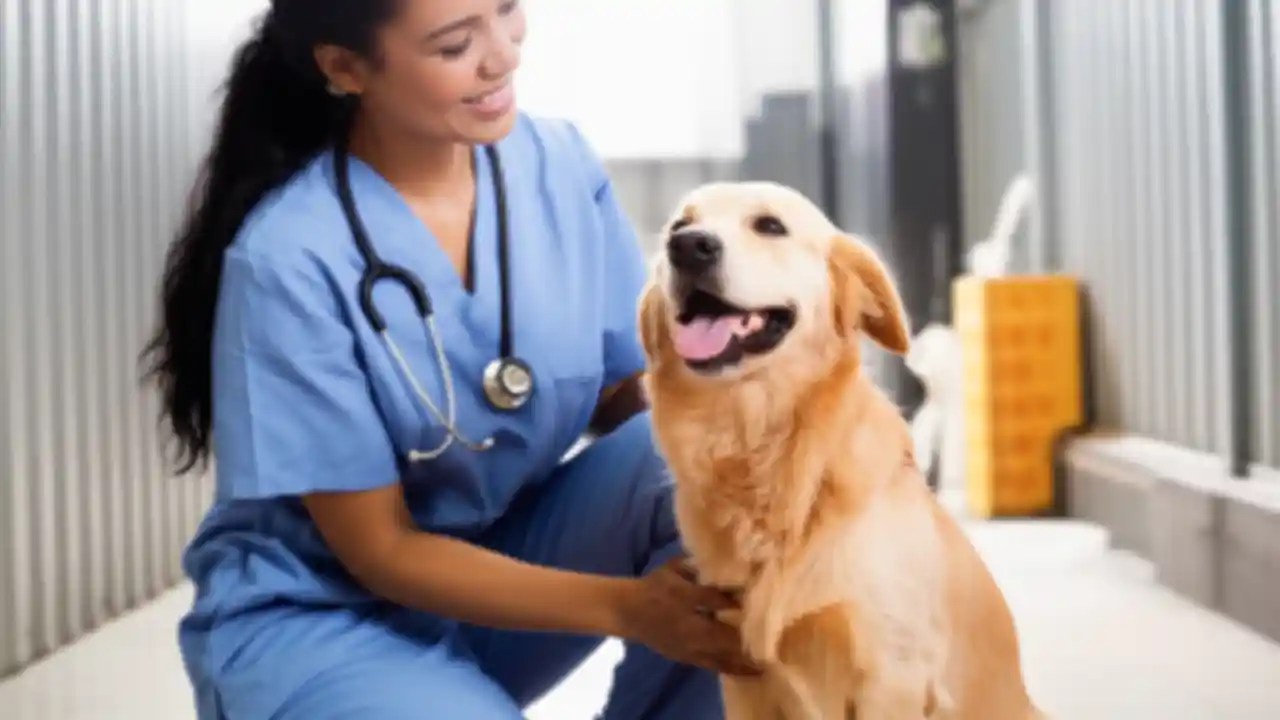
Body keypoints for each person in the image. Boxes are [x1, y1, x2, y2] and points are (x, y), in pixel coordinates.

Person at [141, 0, 759, 717]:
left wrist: (760, 475)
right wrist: (629, 606)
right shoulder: (291, 257)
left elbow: (632, 391)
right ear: (346, 68)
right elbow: (382, 552)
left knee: (719, 462)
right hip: (323, 622)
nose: (502, 55)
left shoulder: (558, 168)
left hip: (496, 574)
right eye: (455, 43)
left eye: (506, 10)